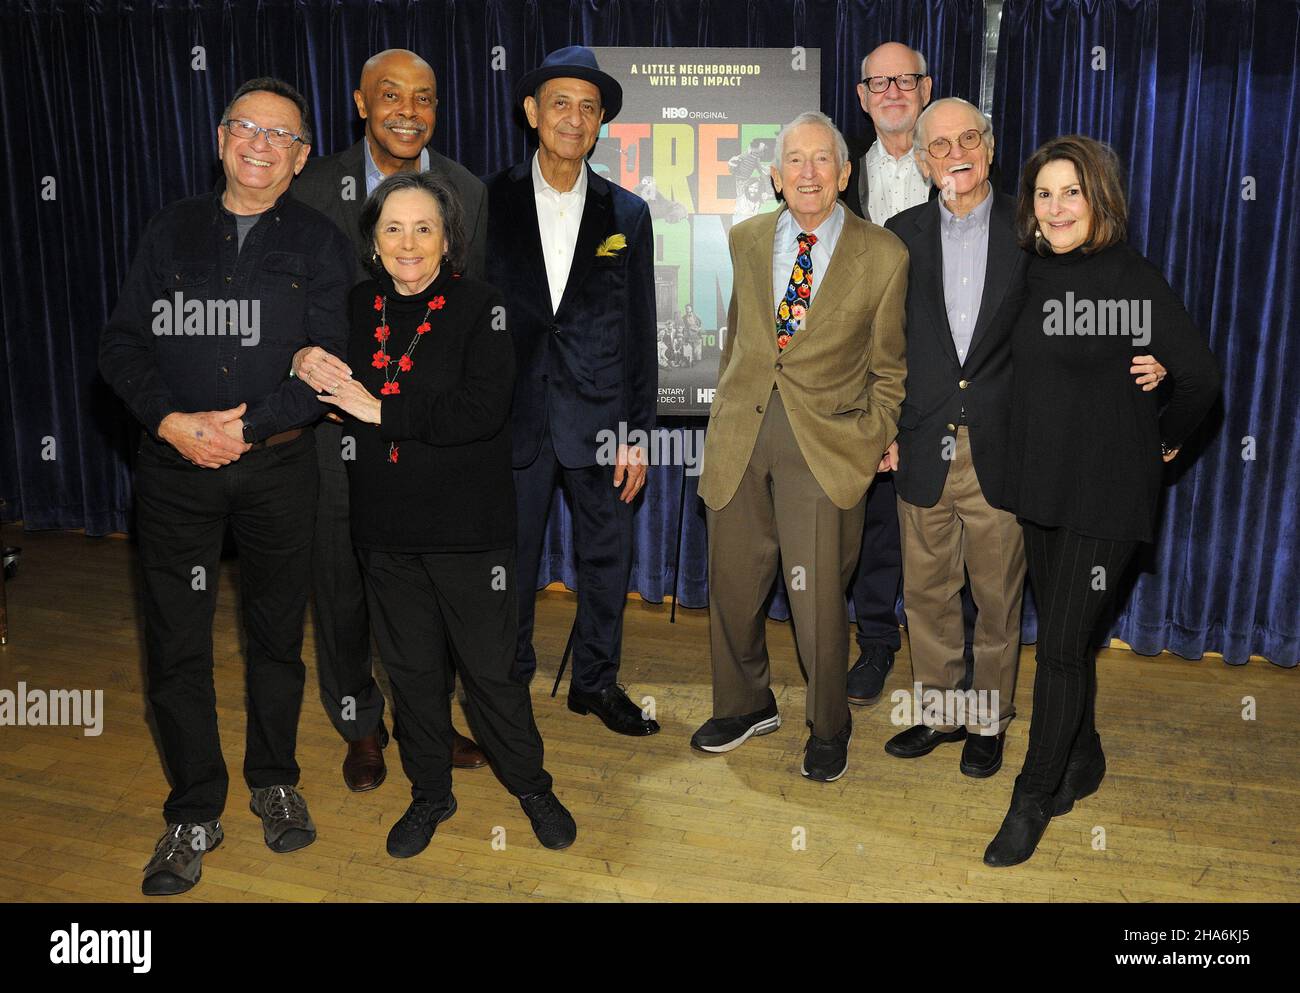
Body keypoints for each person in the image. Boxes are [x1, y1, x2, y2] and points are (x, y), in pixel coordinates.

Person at [99, 78, 353, 895]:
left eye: (279, 134)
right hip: (173, 471)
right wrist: (174, 422)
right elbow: (120, 346)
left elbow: (329, 361)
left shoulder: (318, 241)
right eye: (245, 126)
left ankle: (275, 778)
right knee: (175, 645)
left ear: (301, 156)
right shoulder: (169, 229)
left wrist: (241, 428)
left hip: (278, 467)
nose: (259, 143)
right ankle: (193, 808)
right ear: (220, 139)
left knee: (277, 637)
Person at [880, 100, 1167, 776]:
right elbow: (882, 345)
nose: (957, 153)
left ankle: (987, 722)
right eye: (941, 144)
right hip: (920, 441)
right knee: (926, 593)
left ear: (990, 146)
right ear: (922, 161)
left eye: (969, 138)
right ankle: (939, 712)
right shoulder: (897, 236)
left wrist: (1157, 358)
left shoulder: (1032, 229)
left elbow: (1096, 298)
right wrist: (879, 429)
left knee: (998, 596)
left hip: (1007, 447)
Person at [317, 172, 576, 857]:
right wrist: (303, 362)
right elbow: (313, 374)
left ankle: (532, 786)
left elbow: (480, 411)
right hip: (386, 533)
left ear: (447, 239)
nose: (408, 242)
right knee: (411, 676)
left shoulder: (482, 307)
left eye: (423, 228)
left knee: (491, 674)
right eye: (393, 228)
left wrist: (379, 410)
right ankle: (430, 794)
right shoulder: (353, 306)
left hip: (470, 534)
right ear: (373, 240)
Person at [983, 135, 1220, 866]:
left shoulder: (1132, 278)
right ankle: (1081, 758)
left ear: (1100, 199)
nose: (1056, 208)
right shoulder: (1033, 272)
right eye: (1045, 194)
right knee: (1071, 640)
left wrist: (1165, 441)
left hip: (1108, 493)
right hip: (1044, 489)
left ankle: (1033, 792)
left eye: (1072, 193)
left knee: (1054, 647)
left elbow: (1202, 379)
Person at [291, 48, 488, 792]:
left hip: (427, 431)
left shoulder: (466, 188)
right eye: (391, 95)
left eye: (425, 97)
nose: (409, 109)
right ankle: (360, 724)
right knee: (341, 587)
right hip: (336, 430)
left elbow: (477, 314)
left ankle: (425, 720)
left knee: (428, 587)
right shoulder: (311, 188)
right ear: (361, 103)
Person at [692, 111, 907, 782]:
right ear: (776, 175)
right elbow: (739, 341)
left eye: (823, 160)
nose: (808, 172)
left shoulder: (885, 254)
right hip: (741, 436)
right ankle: (744, 703)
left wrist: (868, 439)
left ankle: (828, 723)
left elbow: (891, 371)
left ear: (844, 173)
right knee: (731, 585)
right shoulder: (747, 238)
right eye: (795, 161)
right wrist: (725, 415)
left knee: (814, 601)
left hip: (825, 446)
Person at [486, 46, 659, 736]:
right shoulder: (483, 199)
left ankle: (594, 681)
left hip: (602, 423)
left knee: (605, 562)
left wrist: (639, 431)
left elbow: (640, 330)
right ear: (531, 113)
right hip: (511, 421)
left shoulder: (630, 214)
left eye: (589, 107)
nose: (574, 117)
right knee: (510, 564)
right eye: (560, 102)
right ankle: (507, 680)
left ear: (600, 126)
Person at [841, 42, 956, 705]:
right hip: (863, 384)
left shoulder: (962, 174)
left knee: (952, 520)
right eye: (877, 83)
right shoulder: (835, 177)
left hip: (946, 380)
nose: (890, 92)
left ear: (926, 86)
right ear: (861, 97)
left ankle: (960, 661)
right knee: (877, 523)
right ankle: (877, 643)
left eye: (903, 80)